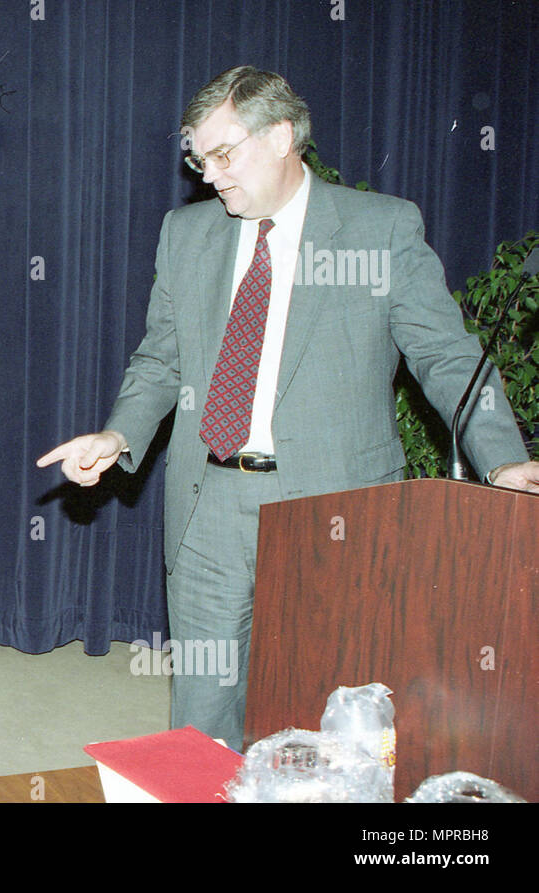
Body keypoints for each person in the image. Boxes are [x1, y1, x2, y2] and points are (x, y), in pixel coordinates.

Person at [37, 66, 539, 752]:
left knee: (321, 712)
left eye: (222, 154)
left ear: (280, 136)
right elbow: (161, 359)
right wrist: (118, 431)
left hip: (332, 511)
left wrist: (504, 457)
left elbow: (449, 358)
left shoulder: (380, 229)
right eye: (198, 158)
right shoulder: (186, 235)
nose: (208, 175)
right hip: (208, 505)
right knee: (202, 714)